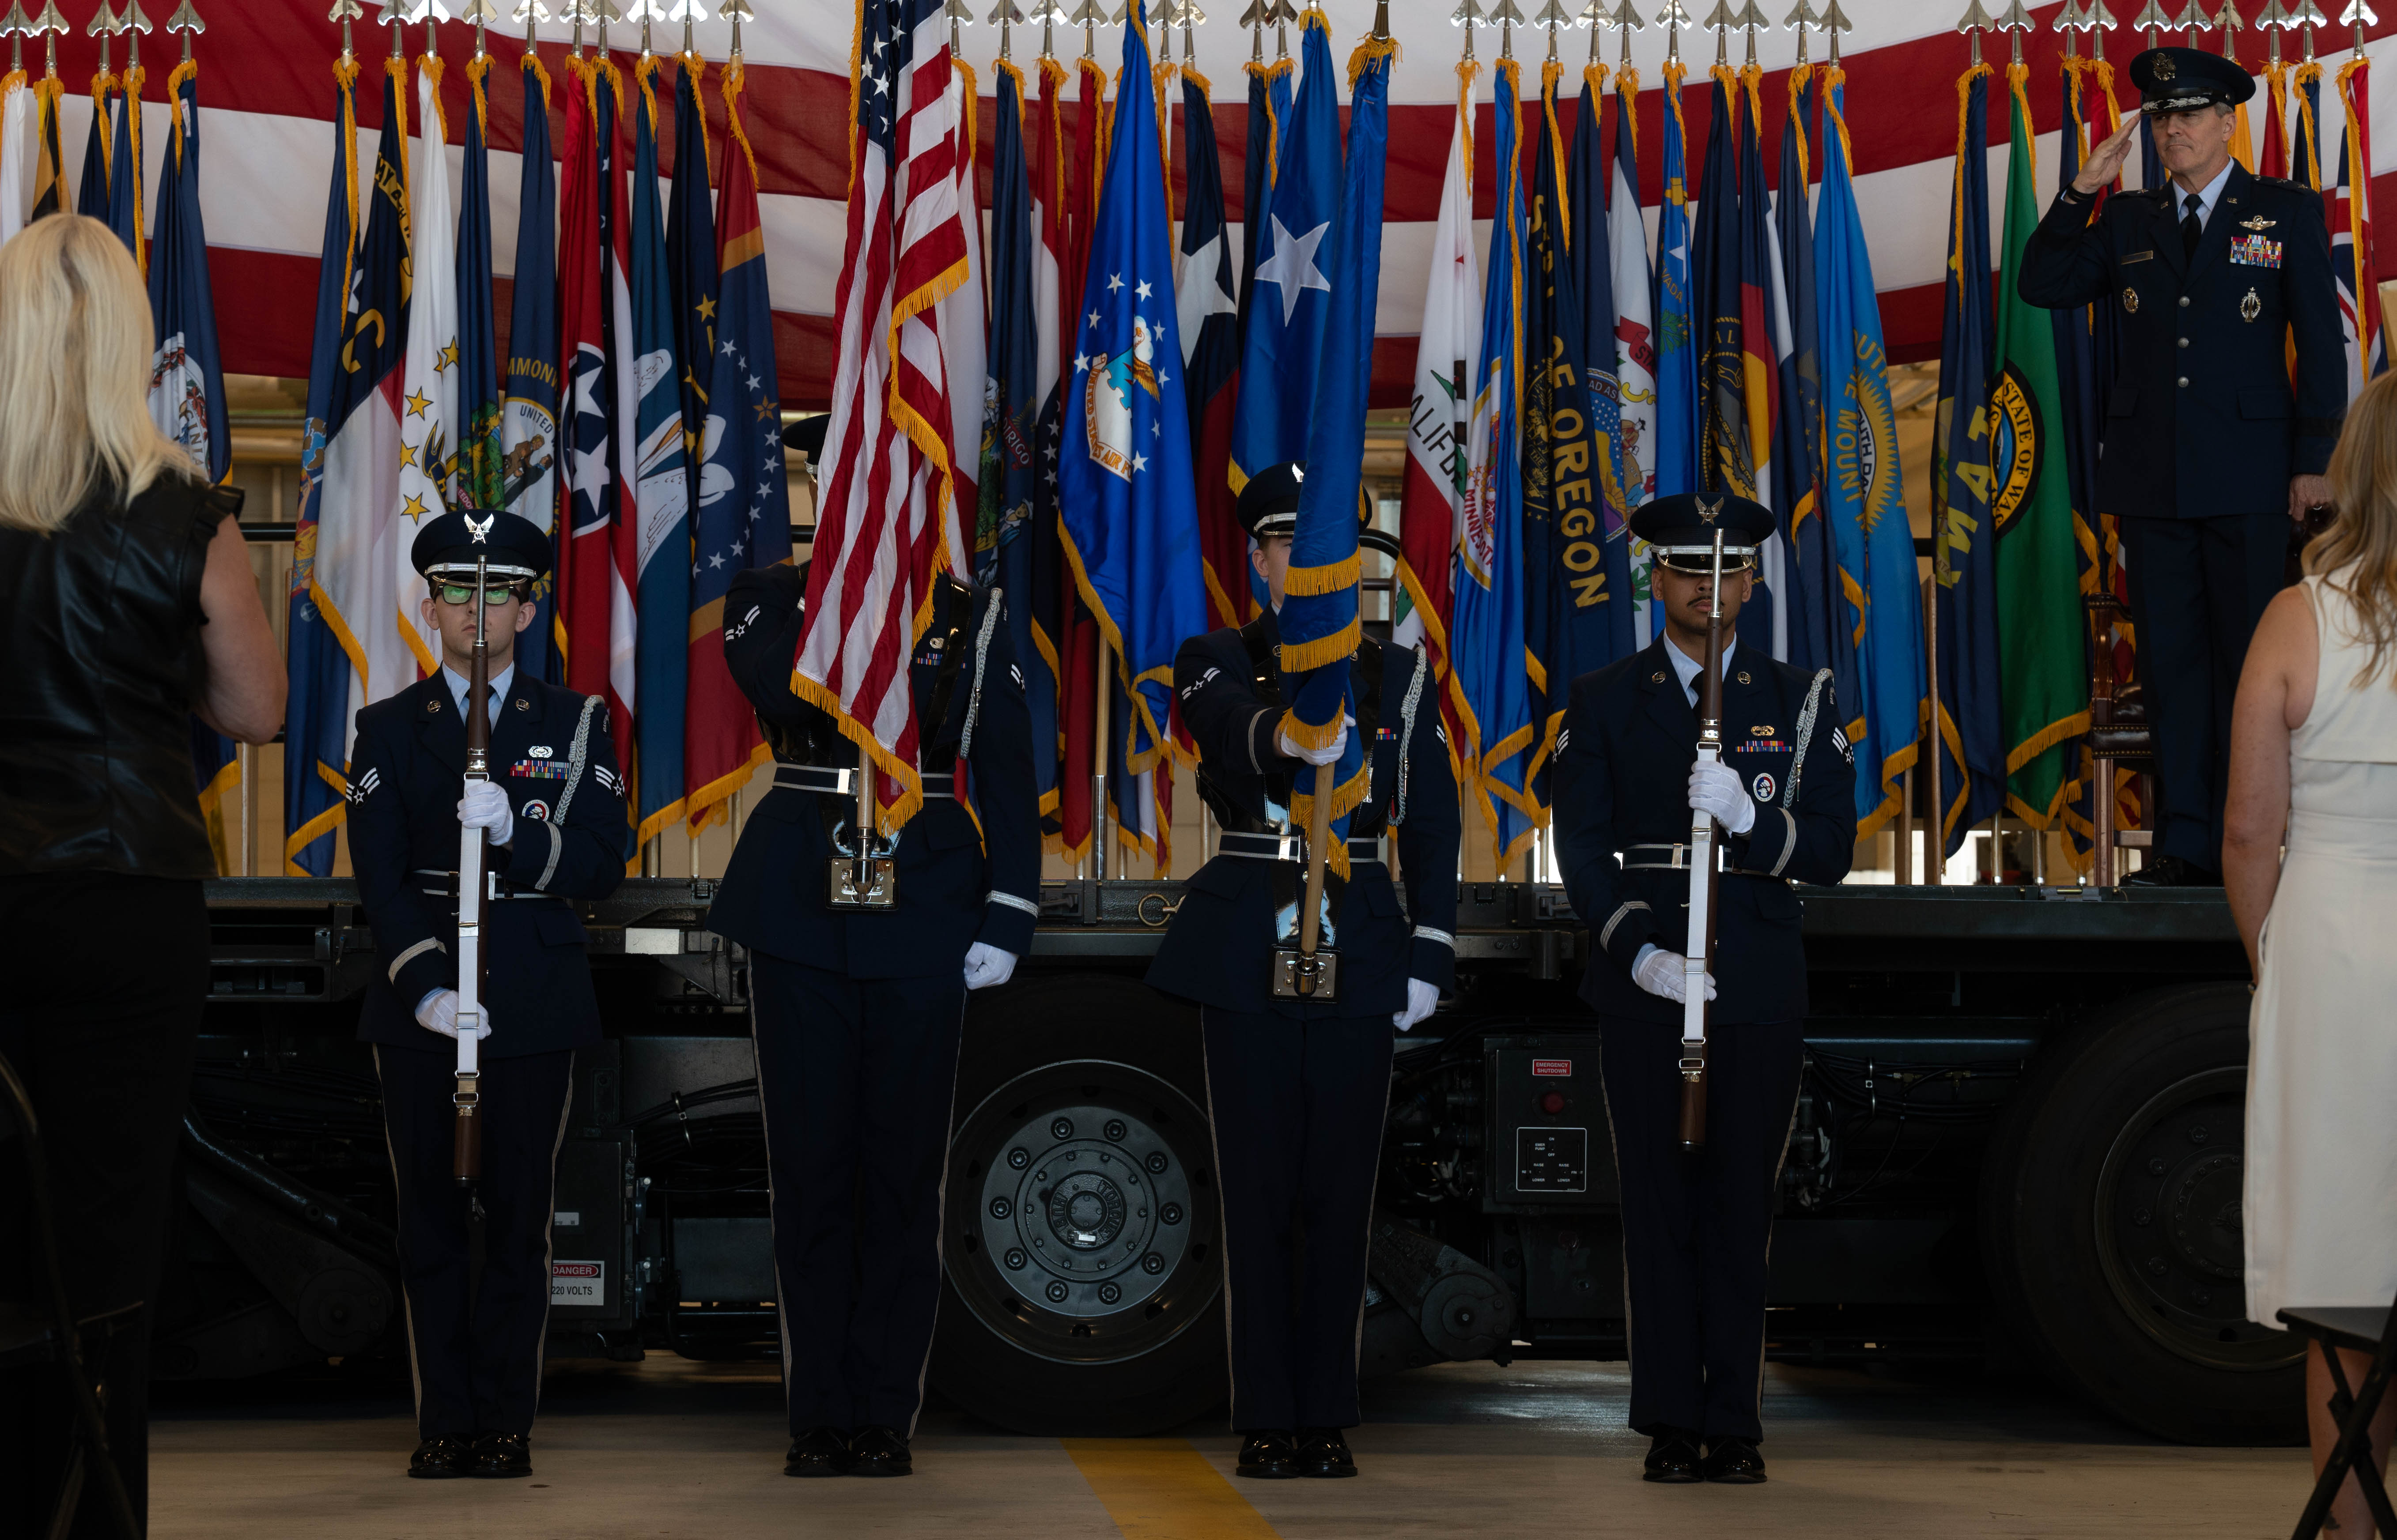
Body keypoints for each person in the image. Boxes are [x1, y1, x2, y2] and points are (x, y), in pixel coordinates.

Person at [0, 214, 284, 1537]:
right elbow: (259, 711)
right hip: (126, 894)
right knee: (109, 1231)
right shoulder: (184, 507)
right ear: (125, 335)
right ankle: (99, 1510)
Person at [1146, 463, 1460, 1482]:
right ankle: (1263, 1415)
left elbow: (1435, 820)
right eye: (1281, 543)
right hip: (1247, 946)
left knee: (1336, 1198)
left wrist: (1431, 943)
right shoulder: (1218, 655)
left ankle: (1322, 1413)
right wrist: (1286, 731)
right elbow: (1227, 730)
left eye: (1318, 544)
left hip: (1361, 940)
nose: (1298, 559)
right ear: (1260, 558)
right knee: (1257, 1195)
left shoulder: (1397, 675)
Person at [708, 559, 1040, 1479]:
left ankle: (884, 1414)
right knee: (810, 1178)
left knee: (901, 1182)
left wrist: (1011, 906)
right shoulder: (769, 598)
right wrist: (858, 593)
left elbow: (1007, 758)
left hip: (927, 893)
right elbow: (780, 687)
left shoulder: (972, 614)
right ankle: (818, 1413)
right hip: (799, 902)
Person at [1550, 494, 1856, 1486]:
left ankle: (1734, 1421)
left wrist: (1749, 825)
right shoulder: (1601, 699)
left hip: (1755, 984)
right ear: (1656, 580)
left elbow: (1832, 849)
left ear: (1753, 581)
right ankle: (1669, 1422)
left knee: (1737, 1204)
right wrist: (1635, 949)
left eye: (1725, 570)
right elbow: (1583, 846)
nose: (1706, 587)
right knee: (1656, 1204)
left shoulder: (1798, 696)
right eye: (1687, 569)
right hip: (1645, 985)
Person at [345, 507, 631, 1480]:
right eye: (457, 594)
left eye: (497, 592)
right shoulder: (384, 730)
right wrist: (426, 988)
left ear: (529, 603)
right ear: (427, 607)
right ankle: (444, 1421)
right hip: (424, 1005)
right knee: (427, 1220)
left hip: (533, 995)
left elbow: (601, 862)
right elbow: (378, 880)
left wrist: (516, 831)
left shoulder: (577, 722)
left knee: (518, 1221)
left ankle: (505, 1421)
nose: (477, 611)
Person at [2019, 45, 2344, 887]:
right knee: (2171, 670)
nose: (2173, 132)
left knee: (2248, 663)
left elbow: (2322, 342)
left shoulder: (2283, 211)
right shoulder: (2127, 221)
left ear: (2228, 121)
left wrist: (2315, 460)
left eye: (2190, 116)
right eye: (2162, 118)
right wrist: (2082, 190)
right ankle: (2188, 845)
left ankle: (2256, 838)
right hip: (2155, 482)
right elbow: (2041, 281)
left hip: (2250, 478)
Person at [2228, 371, 2397, 1538]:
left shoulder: (2302, 613)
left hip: (2333, 947)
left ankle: (2351, 1525)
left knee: (2344, 1276)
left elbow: (2248, 830)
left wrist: (2271, 962)